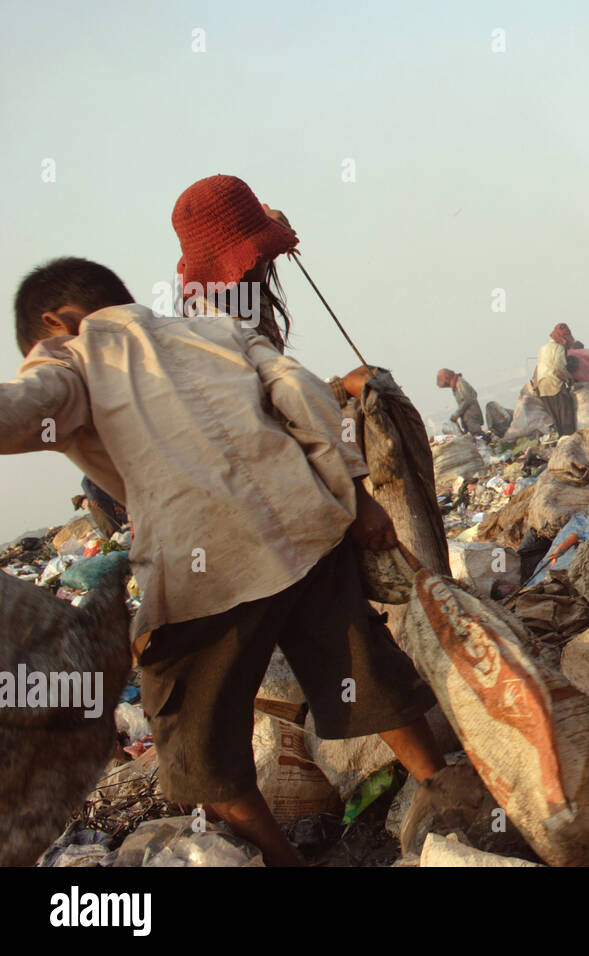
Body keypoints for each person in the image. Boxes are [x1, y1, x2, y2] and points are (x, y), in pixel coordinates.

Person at [3, 257, 449, 866]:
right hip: (305, 523)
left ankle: (283, 860)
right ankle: (444, 793)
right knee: (362, 666)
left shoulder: (73, 358)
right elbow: (301, 393)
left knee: (192, 734)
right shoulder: (214, 328)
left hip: (206, 563)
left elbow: (21, 408)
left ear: (58, 322)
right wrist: (358, 494)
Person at [172, 174, 374, 403]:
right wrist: (341, 389)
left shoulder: (232, 289)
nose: (267, 256)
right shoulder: (219, 333)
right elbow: (263, 408)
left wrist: (265, 222)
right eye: (261, 250)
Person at [535, 323, 577, 435]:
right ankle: (569, 438)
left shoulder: (543, 348)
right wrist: (570, 379)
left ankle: (561, 439)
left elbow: (538, 368)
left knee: (555, 418)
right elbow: (560, 367)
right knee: (566, 415)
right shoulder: (559, 348)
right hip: (554, 384)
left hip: (542, 386)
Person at [436, 368, 484, 435]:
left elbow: (467, 399)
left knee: (477, 435)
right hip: (467, 417)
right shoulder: (456, 384)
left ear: (447, 378)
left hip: (471, 416)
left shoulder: (460, 383)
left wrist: (456, 414)